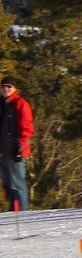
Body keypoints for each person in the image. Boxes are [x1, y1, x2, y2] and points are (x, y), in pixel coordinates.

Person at [0, 76, 33, 212]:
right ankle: (12, 213)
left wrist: (20, 147)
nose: (6, 89)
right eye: (4, 86)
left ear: (15, 89)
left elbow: (27, 128)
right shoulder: (2, 104)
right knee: (7, 186)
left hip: (15, 151)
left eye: (9, 87)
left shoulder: (20, 104)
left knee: (17, 185)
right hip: (2, 151)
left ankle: (21, 215)